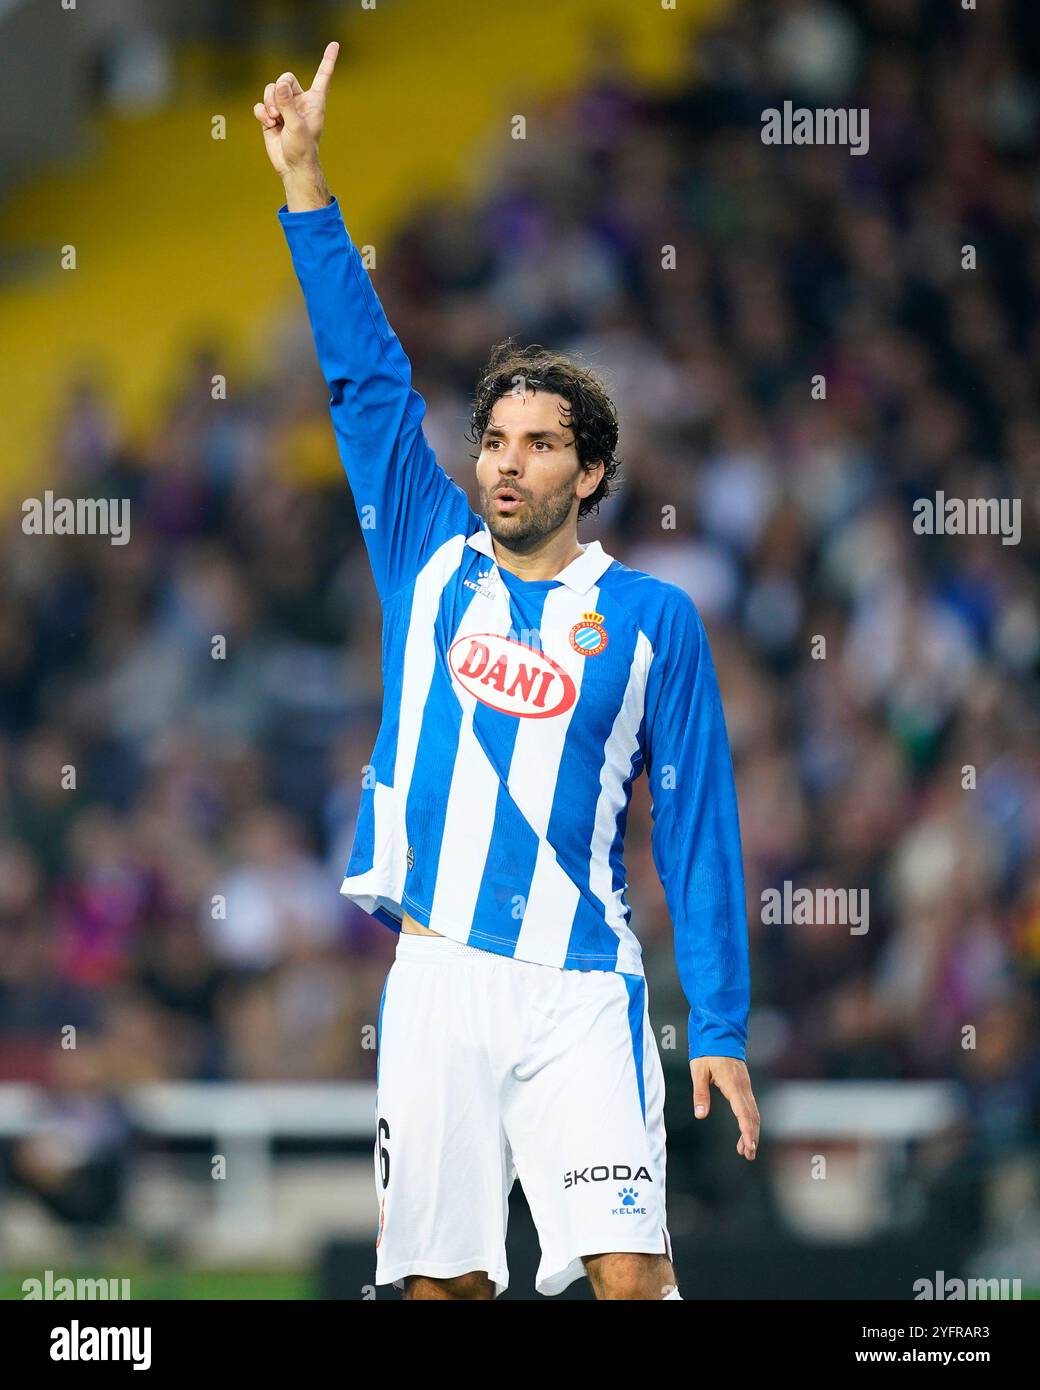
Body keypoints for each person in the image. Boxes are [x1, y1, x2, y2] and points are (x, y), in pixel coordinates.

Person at [255, 41, 759, 1300]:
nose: (504, 462)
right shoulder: (424, 552)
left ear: (588, 472)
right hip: (436, 979)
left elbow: (696, 825)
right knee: (442, 1291)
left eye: (536, 444)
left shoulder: (653, 622)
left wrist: (722, 1022)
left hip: (584, 985)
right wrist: (306, 188)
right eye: (491, 439)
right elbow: (366, 381)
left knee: (631, 1277)